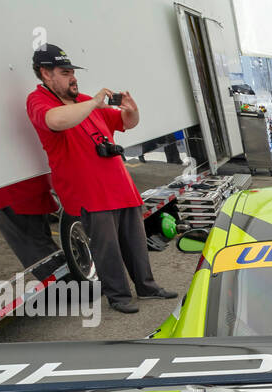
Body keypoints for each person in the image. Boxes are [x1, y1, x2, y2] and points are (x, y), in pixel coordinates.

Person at [26, 43, 175, 316]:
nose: (73, 77)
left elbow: (126, 123)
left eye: (73, 71)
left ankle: (147, 286)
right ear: (46, 74)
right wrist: (93, 102)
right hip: (90, 192)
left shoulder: (83, 100)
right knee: (107, 249)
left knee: (136, 243)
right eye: (65, 72)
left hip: (120, 185)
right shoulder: (39, 101)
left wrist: (131, 110)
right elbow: (55, 121)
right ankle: (118, 296)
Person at [0, 174, 60, 281]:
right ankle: (69, 286)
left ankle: (68, 289)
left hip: (6, 191)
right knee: (40, 244)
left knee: (34, 250)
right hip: (22, 185)